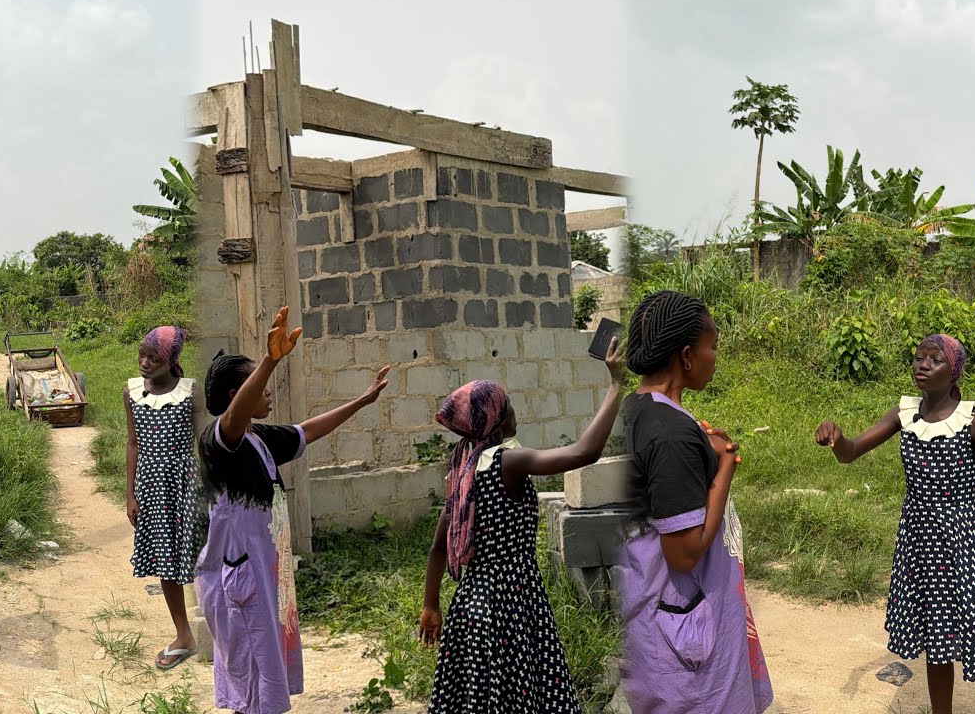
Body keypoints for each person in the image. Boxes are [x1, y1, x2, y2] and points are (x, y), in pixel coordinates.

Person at [815, 333, 975, 714]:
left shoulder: (974, 421)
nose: (922, 365)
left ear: (955, 372)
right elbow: (850, 453)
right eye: (918, 358)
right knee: (937, 642)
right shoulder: (903, 416)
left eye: (934, 360)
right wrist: (836, 436)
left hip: (966, 546)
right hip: (921, 545)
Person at [197, 306, 389, 714]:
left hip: (262, 578)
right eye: (258, 384)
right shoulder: (219, 441)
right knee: (250, 682)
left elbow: (309, 430)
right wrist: (269, 360)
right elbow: (232, 418)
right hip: (239, 581)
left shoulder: (258, 438)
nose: (268, 390)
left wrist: (362, 401)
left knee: (262, 682)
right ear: (237, 395)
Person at [415, 341, 625, 713]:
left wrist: (431, 605)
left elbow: (437, 548)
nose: (513, 410)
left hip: (471, 606)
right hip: (512, 602)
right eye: (507, 404)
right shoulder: (507, 462)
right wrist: (615, 385)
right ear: (495, 417)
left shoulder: (462, 469)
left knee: (481, 700)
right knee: (526, 693)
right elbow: (583, 453)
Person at [617, 290, 772, 714]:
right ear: (686, 356)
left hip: (663, 611)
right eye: (712, 346)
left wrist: (702, 447)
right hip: (686, 621)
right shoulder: (670, 434)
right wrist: (724, 467)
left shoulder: (642, 409)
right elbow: (684, 554)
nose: (714, 356)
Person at [124, 325, 208, 670]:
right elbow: (132, 443)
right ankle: (184, 634)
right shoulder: (131, 392)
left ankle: (220, 626)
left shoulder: (190, 393)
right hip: (152, 489)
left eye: (153, 359)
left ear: (172, 362)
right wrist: (130, 494)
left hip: (187, 485)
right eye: (142, 355)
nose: (144, 363)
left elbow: (204, 442)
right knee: (166, 561)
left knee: (202, 554)